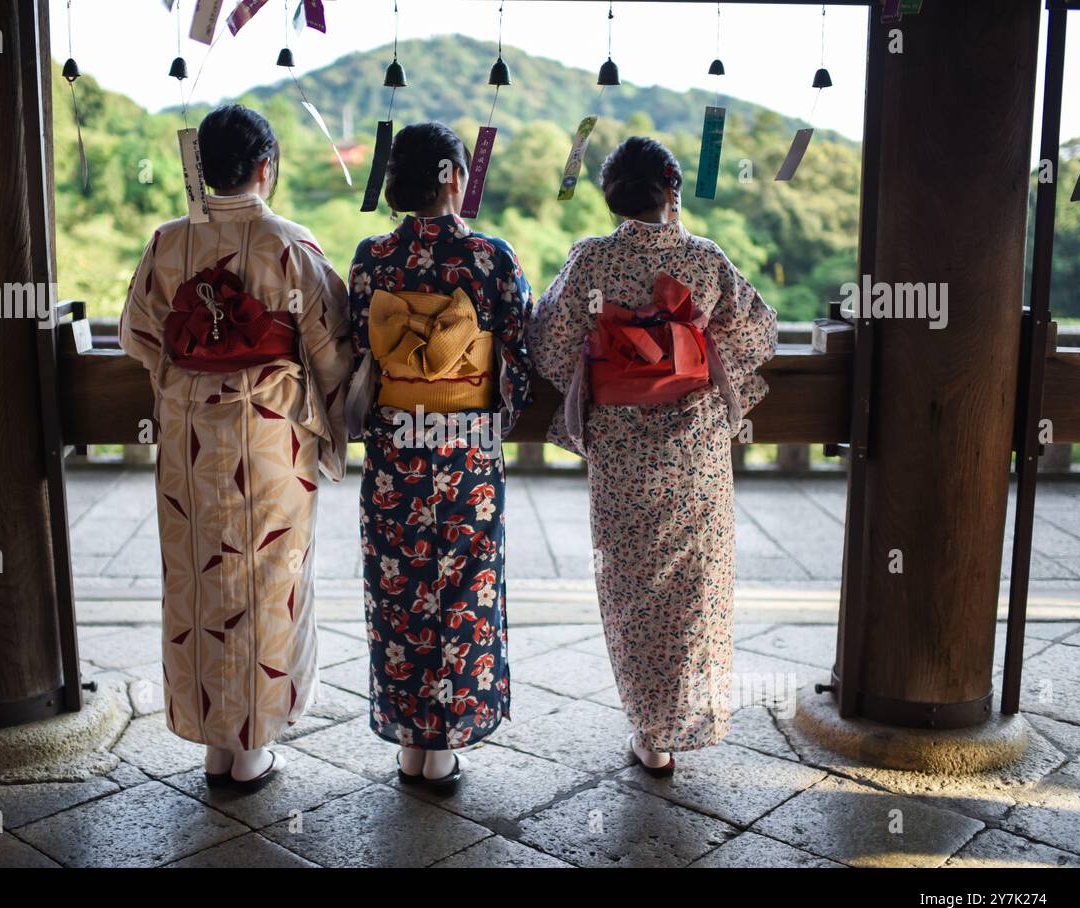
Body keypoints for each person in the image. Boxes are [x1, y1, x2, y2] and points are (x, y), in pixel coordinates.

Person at [119, 104, 352, 790]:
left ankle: (213, 743)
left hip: (190, 441)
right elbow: (333, 354)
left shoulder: (168, 242)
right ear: (264, 168)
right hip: (269, 439)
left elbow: (138, 335)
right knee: (265, 579)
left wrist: (195, 364)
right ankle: (250, 750)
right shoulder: (290, 244)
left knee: (198, 581)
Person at [528, 135, 777, 776]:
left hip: (619, 449)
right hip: (693, 447)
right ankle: (683, 718)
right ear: (672, 188)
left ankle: (650, 730)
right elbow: (758, 331)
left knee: (631, 586)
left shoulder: (589, 261)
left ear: (612, 196)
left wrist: (611, 362)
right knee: (696, 585)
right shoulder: (705, 259)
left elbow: (549, 345)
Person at [346, 122, 534, 792]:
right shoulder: (491, 257)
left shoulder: (370, 260)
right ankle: (443, 745)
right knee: (461, 593)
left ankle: (408, 742)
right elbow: (518, 349)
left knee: (399, 595)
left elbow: (353, 344)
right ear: (453, 175)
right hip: (464, 453)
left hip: (397, 448)